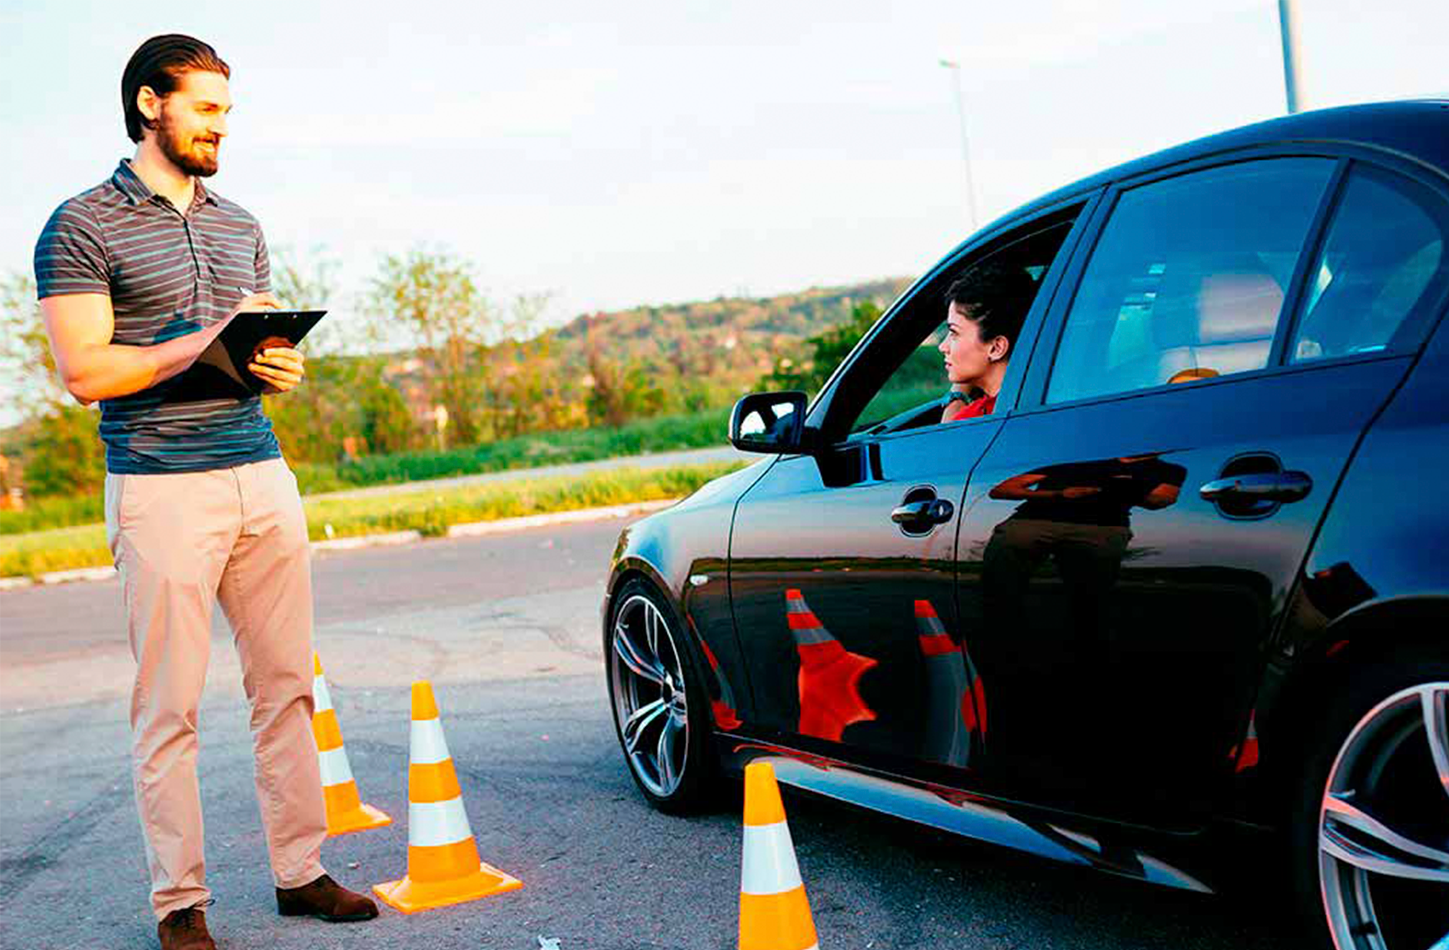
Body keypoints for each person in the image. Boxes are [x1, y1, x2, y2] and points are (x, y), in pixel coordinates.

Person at [33, 34, 376, 950]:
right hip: (159, 489)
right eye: (207, 108)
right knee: (169, 706)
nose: (223, 126)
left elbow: (238, 353)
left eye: (229, 110)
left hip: (260, 473)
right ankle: (179, 903)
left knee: (287, 687)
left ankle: (299, 873)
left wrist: (269, 366)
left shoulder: (239, 224)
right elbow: (84, 372)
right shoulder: (80, 225)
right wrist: (202, 341)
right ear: (151, 104)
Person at [936, 261, 1037, 422]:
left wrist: (957, 392)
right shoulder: (1040, 397)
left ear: (996, 348)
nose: (943, 346)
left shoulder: (983, 419)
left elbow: (947, 435)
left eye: (954, 333)